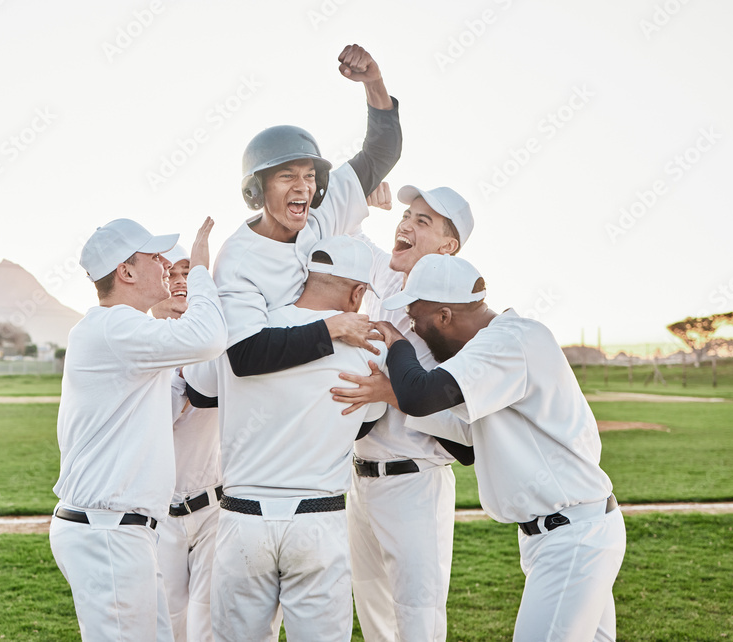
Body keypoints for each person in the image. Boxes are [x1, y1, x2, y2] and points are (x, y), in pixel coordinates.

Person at [374, 253, 627, 641]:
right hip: (569, 531)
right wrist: (391, 394)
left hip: (571, 537)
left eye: (414, 321)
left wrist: (396, 345)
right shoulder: (503, 343)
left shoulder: (509, 341)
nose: (413, 331)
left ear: (444, 316)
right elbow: (468, 445)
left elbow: (420, 394)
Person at [185, 236, 388, 642]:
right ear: (358, 293)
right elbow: (366, 424)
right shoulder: (371, 350)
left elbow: (198, 391)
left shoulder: (244, 334)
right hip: (318, 519)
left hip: (243, 518)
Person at [49, 218, 227, 642]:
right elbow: (208, 336)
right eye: (155, 257)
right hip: (109, 532)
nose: (166, 265)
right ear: (125, 272)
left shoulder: (118, 332)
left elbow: (167, 403)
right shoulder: (116, 327)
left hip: (121, 531)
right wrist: (201, 272)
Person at [332, 182, 475, 641]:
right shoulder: (387, 275)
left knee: (418, 621)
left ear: (448, 247)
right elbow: (340, 224)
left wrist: (394, 393)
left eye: (423, 221)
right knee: (374, 621)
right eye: (406, 216)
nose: (406, 225)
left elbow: (469, 434)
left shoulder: (460, 315)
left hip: (415, 485)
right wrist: (361, 191)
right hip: (359, 481)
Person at [213, 43, 401, 378]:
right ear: (257, 189)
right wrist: (334, 327)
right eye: (287, 176)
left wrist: (374, 83)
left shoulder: (318, 213)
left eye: (310, 176)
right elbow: (245, 355)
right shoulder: (237, 259)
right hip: (253, 395)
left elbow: (381, 152)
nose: (302, 187)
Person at [149, 244, 223, 642]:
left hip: (215, 506)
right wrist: (182, 375)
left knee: (209, 624)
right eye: (170, 274)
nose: (180, 281)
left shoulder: (216, 342)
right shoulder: (140, 345)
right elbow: (156, 422)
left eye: (188, 272)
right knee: (168, 622)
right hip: (159, 513)